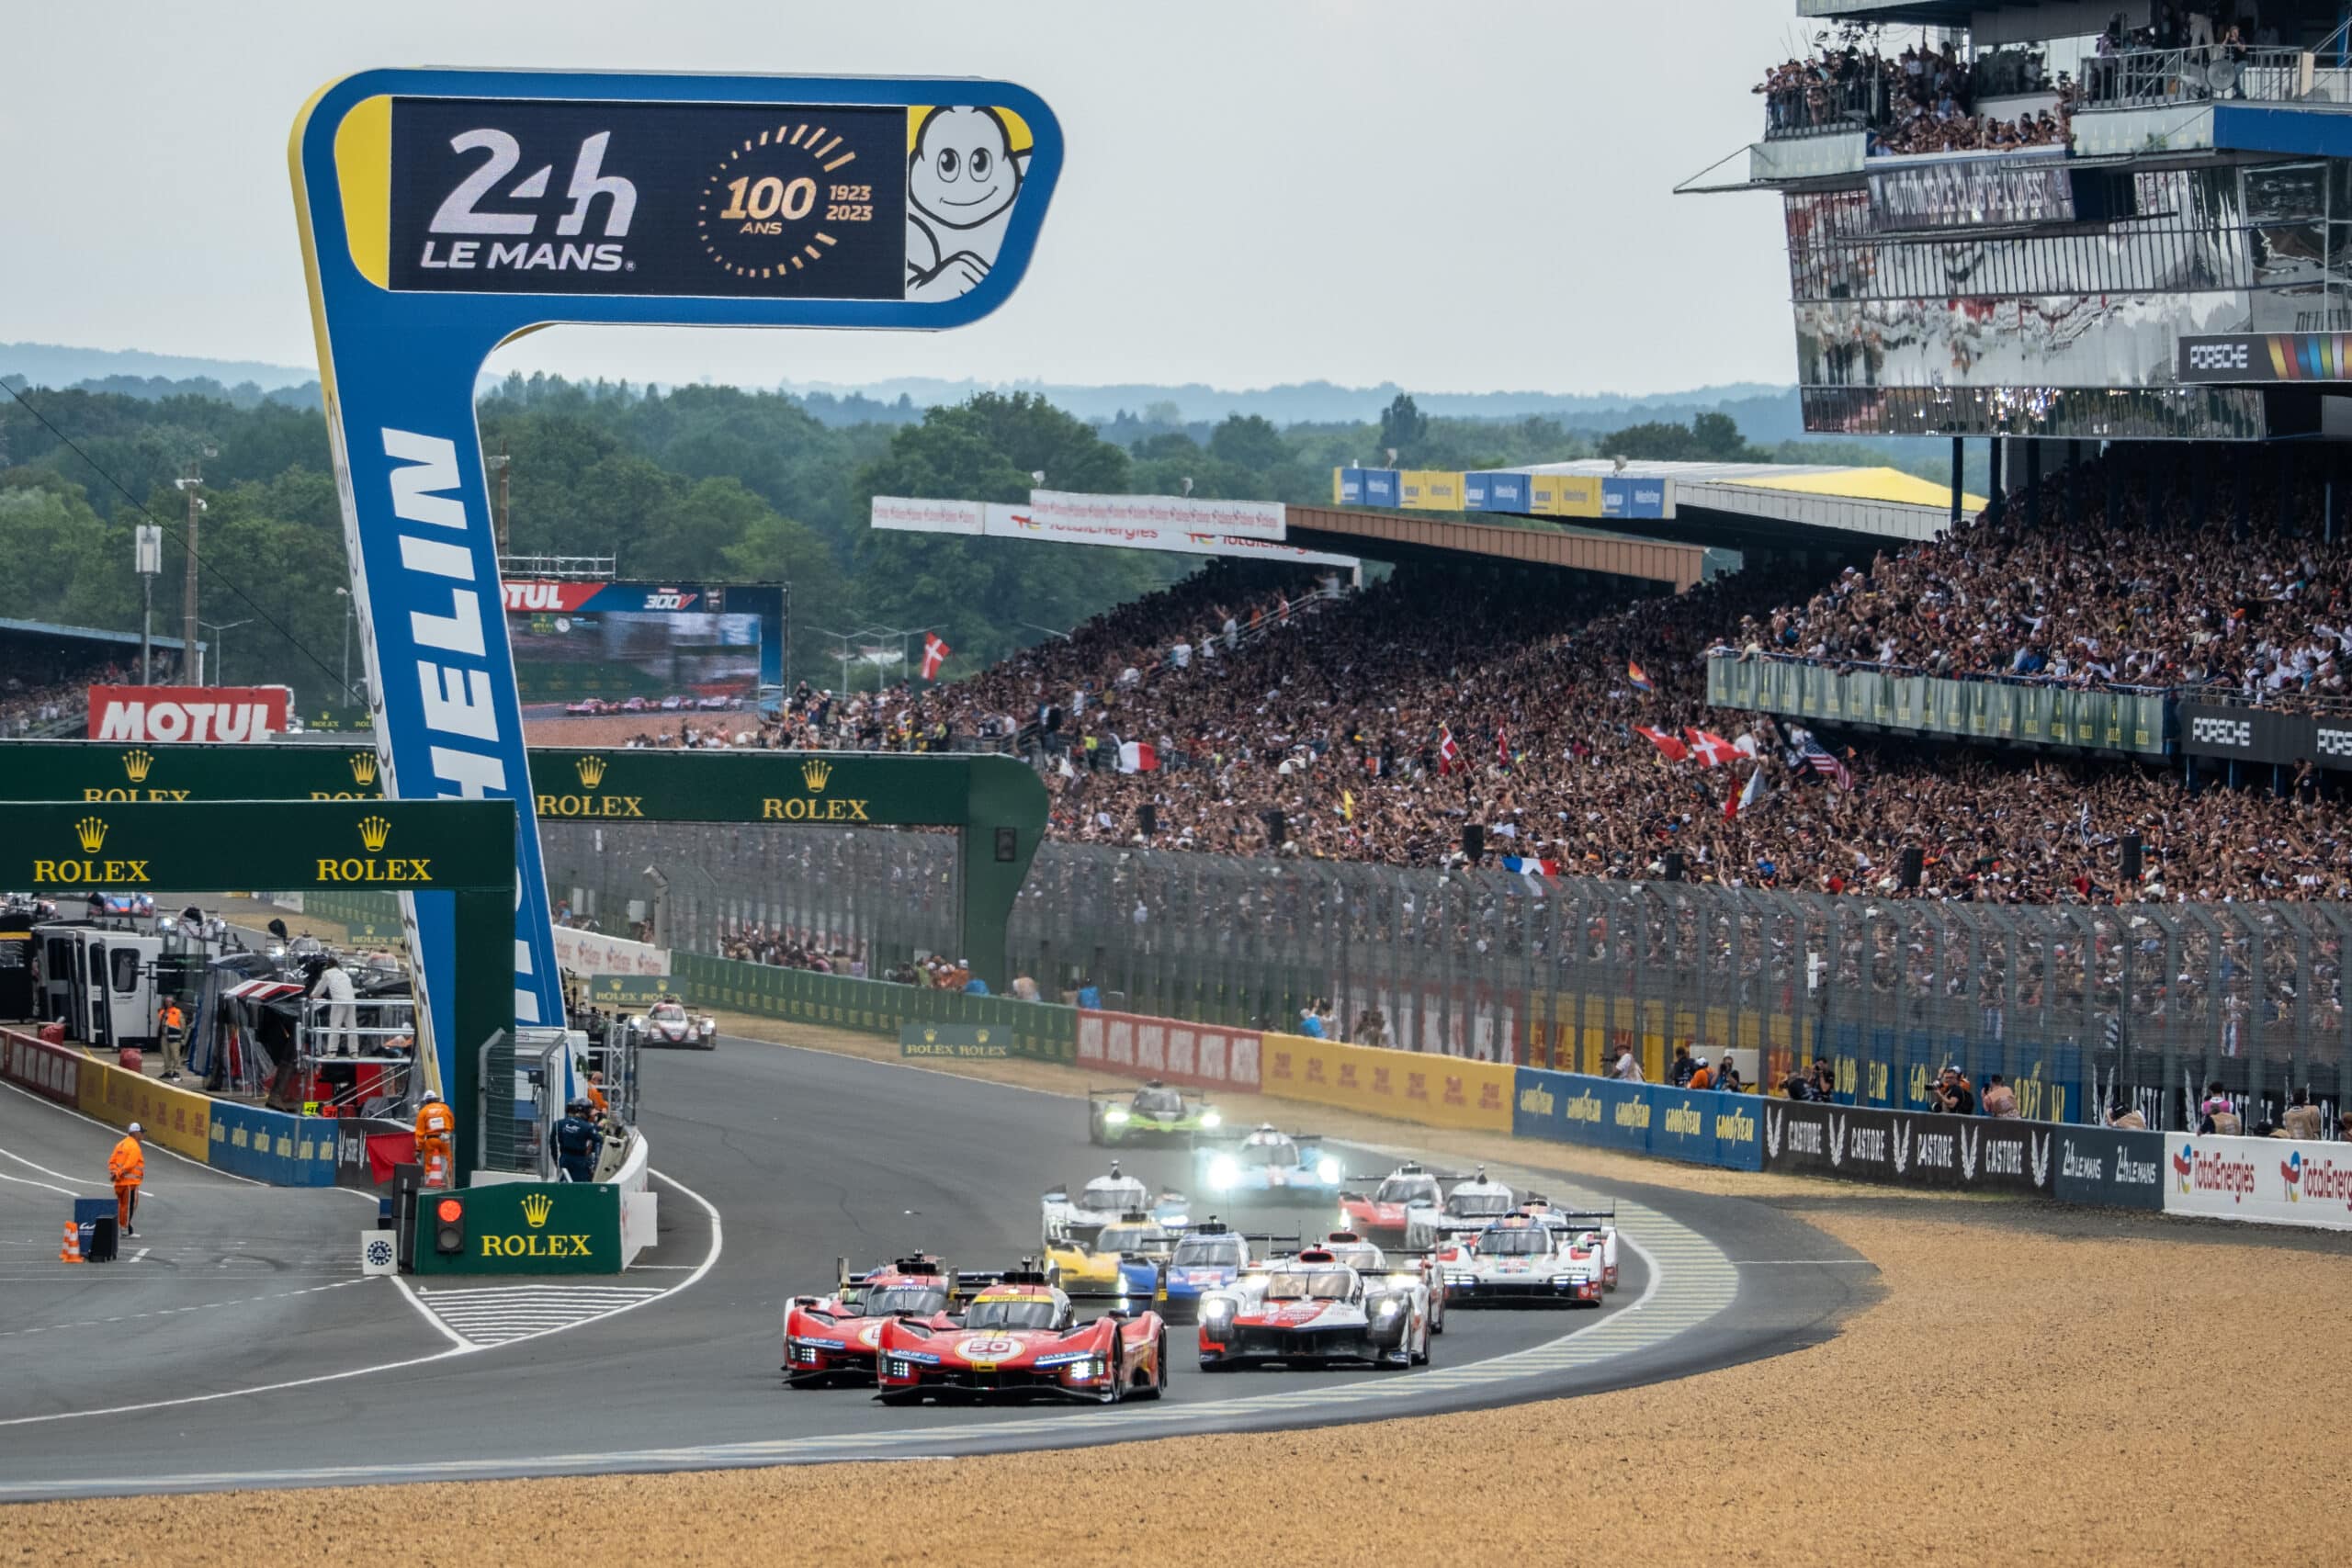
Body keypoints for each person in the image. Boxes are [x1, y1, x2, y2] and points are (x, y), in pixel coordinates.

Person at [551, 1100, 602, 1183]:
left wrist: (556, 1160)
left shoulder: (559, 1124)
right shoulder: (587, 1127)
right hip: (579, 1161)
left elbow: (552, 1144)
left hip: (564, 1158)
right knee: (580, 1186)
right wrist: (597, 1126)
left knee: (564, 1183)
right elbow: (598, 1139)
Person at [107, 1122, 144, 1238]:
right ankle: (125, 1230)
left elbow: (112, 1161)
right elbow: (130, 1165)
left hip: (119, 1183)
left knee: (121, 1206)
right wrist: (118, 1173)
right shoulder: (134, 1146)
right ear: (135, 1133)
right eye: (141, 1133)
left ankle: (125, 1227)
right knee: (129, 1206)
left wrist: (114, 1173)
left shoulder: (120, 1144)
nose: (142, 1135)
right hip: (130, 1183)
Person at [413, 1089, 456, 1188]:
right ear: (436, 1099)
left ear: (426, 1101)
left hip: (431, 1140)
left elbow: (420, 1133)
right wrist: (447, 1131)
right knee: (446, 1162)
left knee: (430, 1165)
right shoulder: (445, 1108)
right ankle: (448, 1185)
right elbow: (452, 1123)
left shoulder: (423, 1112)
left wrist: (418, 1149)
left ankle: (430, 1186)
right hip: (445, 1139)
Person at [158, 997, 187, 1082]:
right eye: (166, 1002)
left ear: (173, 1002)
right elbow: (161, 1023)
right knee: (166, 1055)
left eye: (169, 1002)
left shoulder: (177, 1012)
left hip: (175, 1036)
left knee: (175, 1054)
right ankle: (167, 1071)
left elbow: (183, 1025)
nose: (168, 1003)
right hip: (165, 1035)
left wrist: (182, 1035)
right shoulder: (162, 1012)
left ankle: (176, 1071)